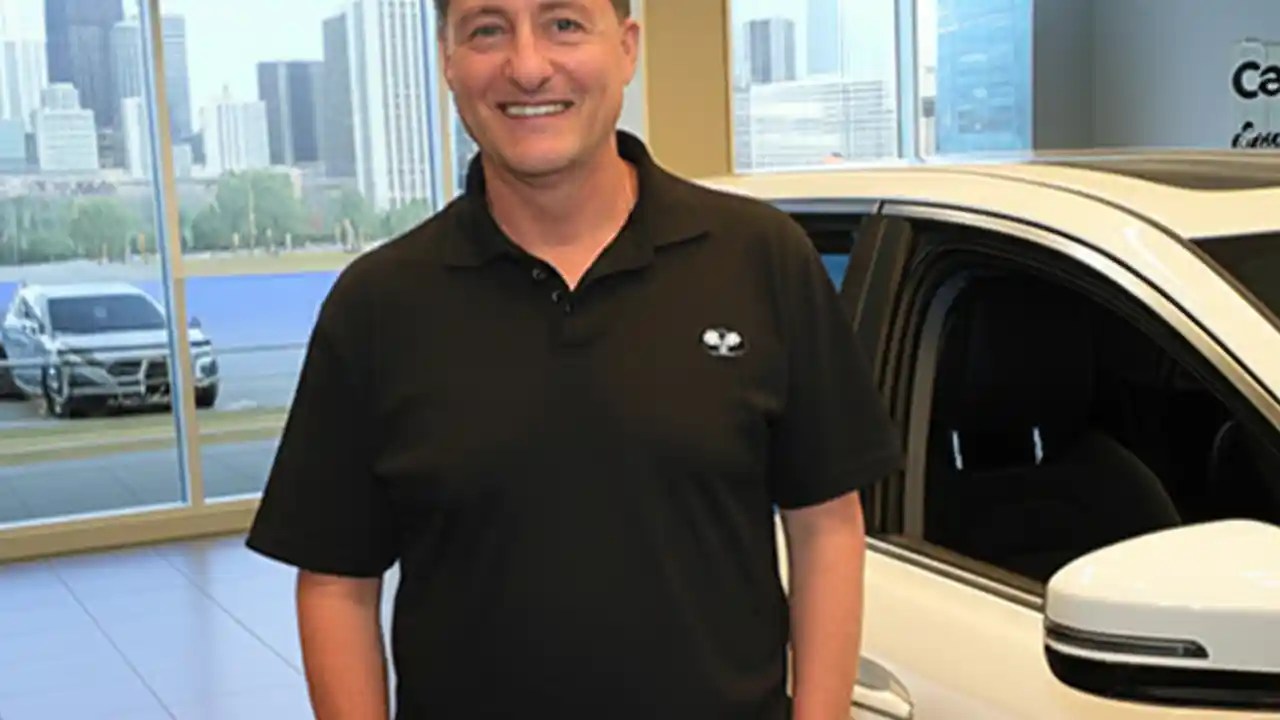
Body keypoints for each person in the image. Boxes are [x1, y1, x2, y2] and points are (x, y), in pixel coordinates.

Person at [245, 0, 903, 718]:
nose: (527, 67)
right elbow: (337, 582)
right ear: (448, 60)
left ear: (626, 48)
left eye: (563, 23)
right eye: (488, 30)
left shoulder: (760, 260)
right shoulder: (378, 305)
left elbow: (826, 526)